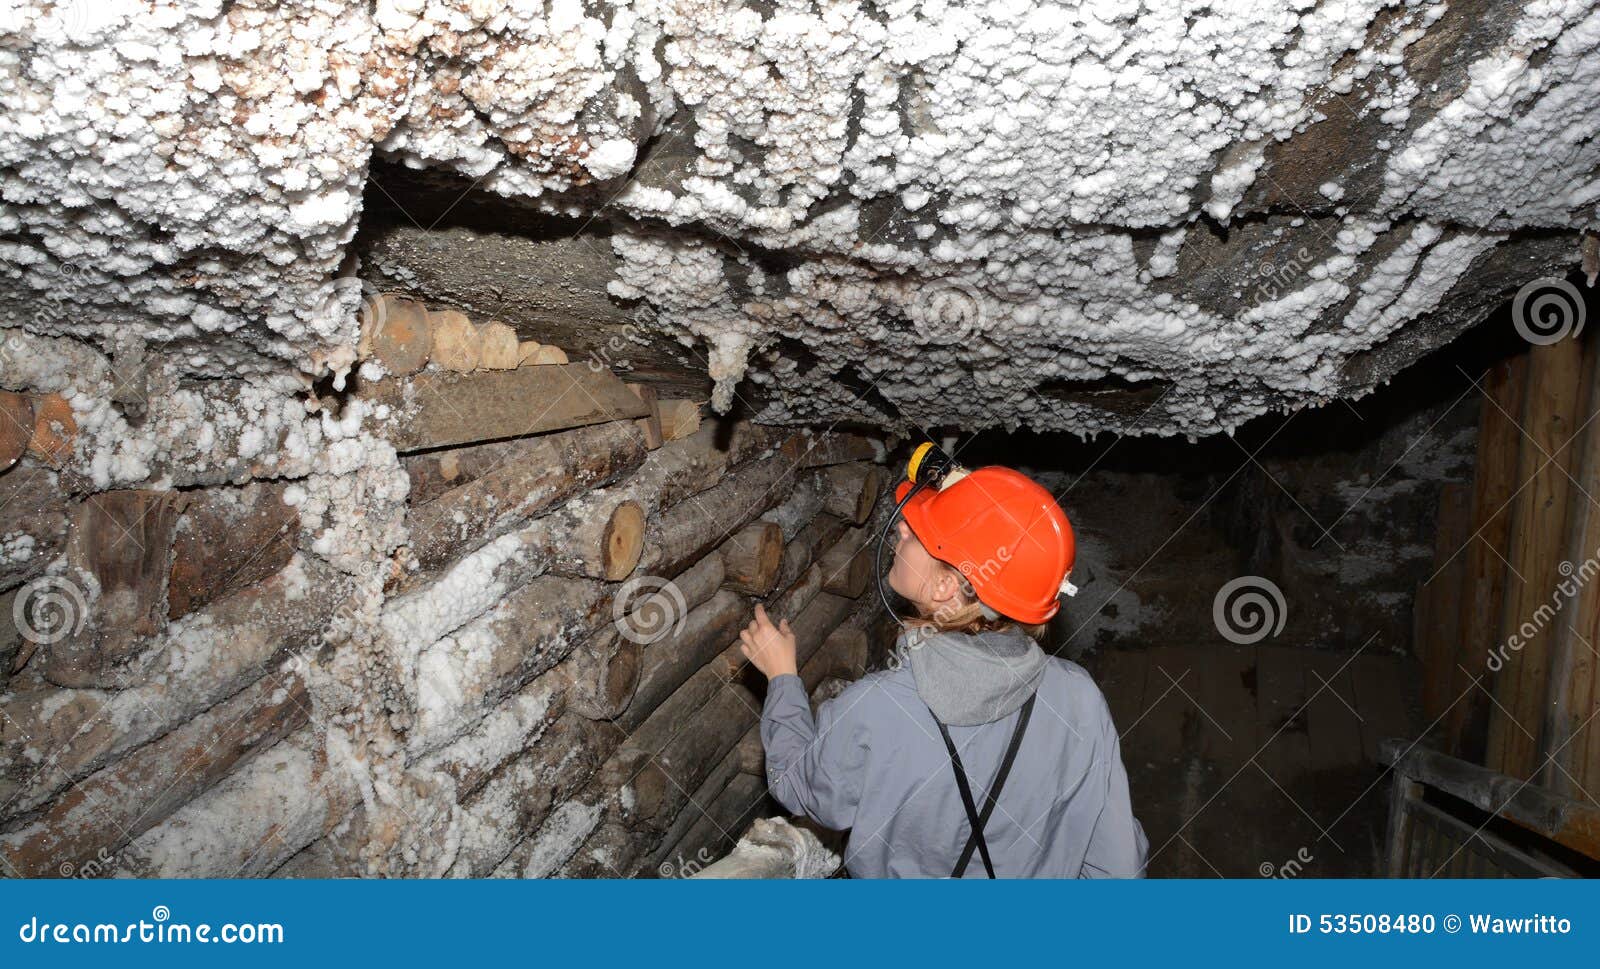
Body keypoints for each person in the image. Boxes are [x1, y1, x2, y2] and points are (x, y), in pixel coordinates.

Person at [739, 458, 1147, 878]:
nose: (900, 529)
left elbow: (798, 784)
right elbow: (1117, 864)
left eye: (920, 535)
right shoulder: (1079, 699)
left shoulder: (879, 708)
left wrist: (782, 676)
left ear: (944, 586)